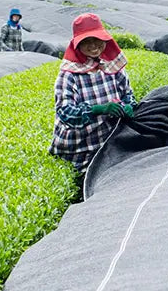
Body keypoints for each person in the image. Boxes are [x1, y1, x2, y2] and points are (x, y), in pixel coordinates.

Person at [51, 13, 135, 177]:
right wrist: (98, 109)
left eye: (97, 39)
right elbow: (65, 113)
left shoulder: (112, 65)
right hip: (78, 149)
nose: (93, 45)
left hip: (108, 144)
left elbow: (128, 94)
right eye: (86, 42)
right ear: (77, 45)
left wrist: (128, 106)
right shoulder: (69, 74)